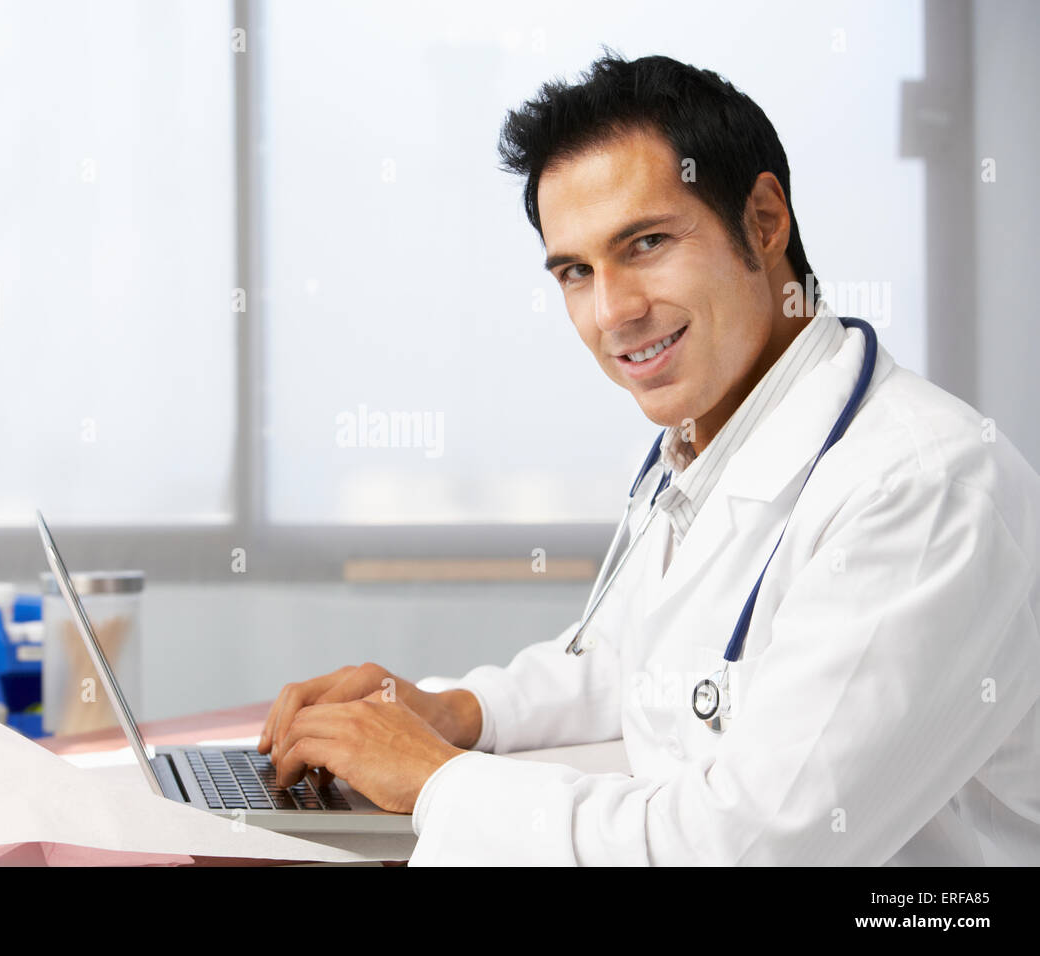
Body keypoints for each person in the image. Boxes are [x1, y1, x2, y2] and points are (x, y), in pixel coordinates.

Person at [257, 49, 1040, 865]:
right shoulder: (709, 446)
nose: (612, 312)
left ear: (765, 220)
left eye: (647, 243)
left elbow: (744, 851)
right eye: (575, 271)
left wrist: (435, 779)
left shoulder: (926, 487)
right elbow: (646, 670)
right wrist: (459, 711)